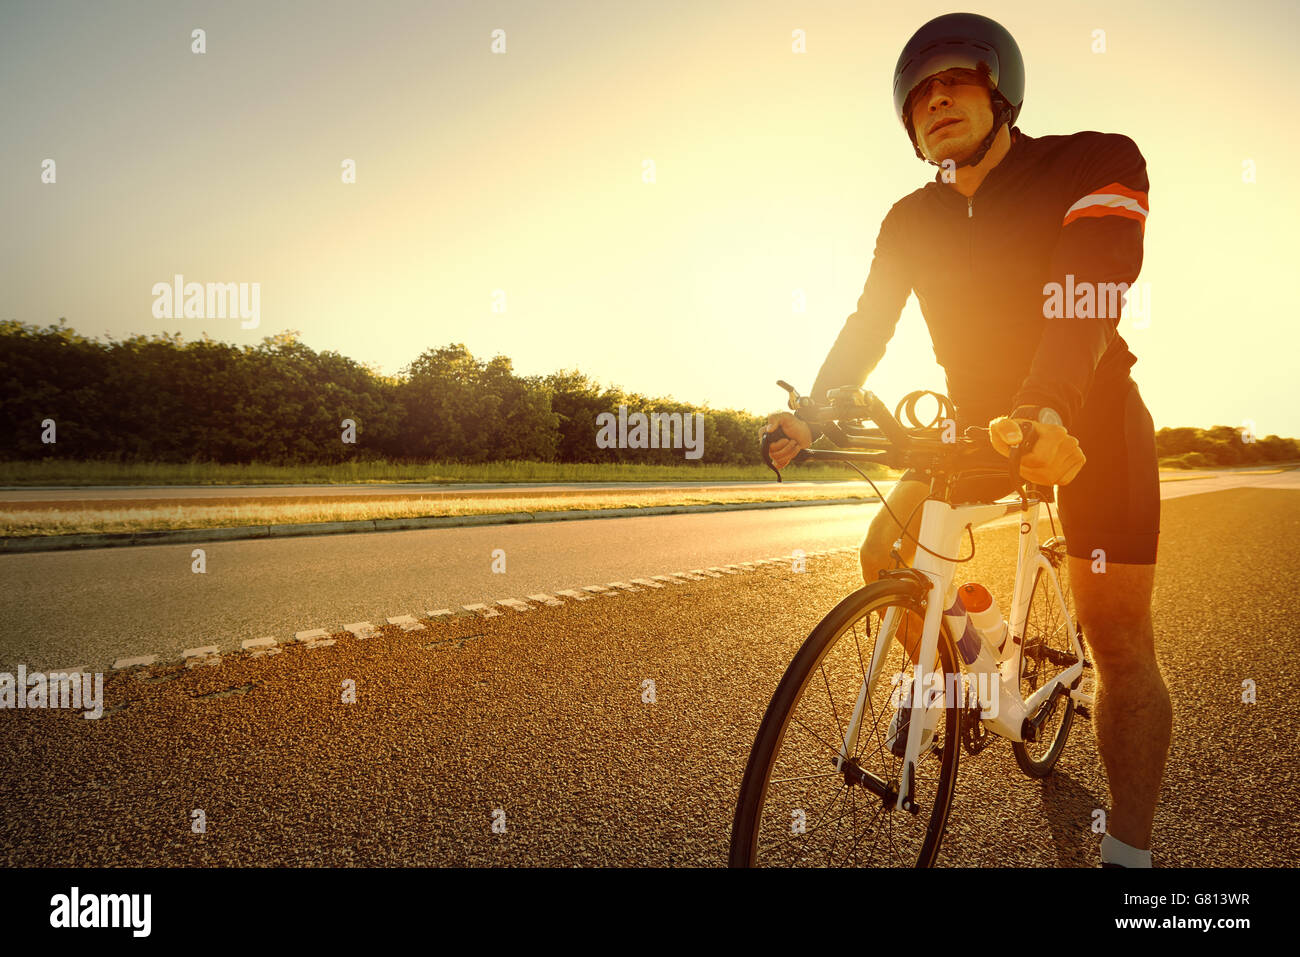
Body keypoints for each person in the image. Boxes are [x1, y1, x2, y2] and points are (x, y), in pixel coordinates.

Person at [763, 13, 1169, 869]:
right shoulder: (909, 219)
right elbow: (869, 322)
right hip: (972, 425)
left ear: (1001, 88)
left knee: (1118, 634)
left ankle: (1130, 859)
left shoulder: (1094, 160)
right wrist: (815, 407)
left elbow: (1087, 284)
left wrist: (1050, 406)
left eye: (954, 80)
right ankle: (976, 672)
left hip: (1088, 412)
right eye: (917, 95)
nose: (934, 99)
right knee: (883, 549)